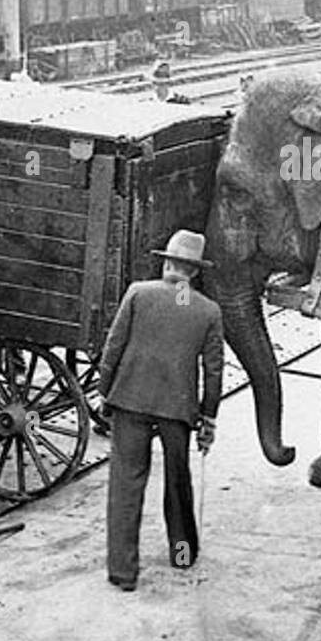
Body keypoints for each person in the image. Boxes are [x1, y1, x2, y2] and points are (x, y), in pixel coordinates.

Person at [96, 230, 223, 591]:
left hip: (130, 400)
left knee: (126, 483)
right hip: (177, 408)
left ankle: (122, 572)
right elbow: (213, 371)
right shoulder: (208, 311)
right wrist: (208, 417)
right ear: (194, 272)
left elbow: (113, 348)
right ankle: (181, 554)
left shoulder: (138, 293)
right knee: (177, 479)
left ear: (166, 261)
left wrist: (105, 393)